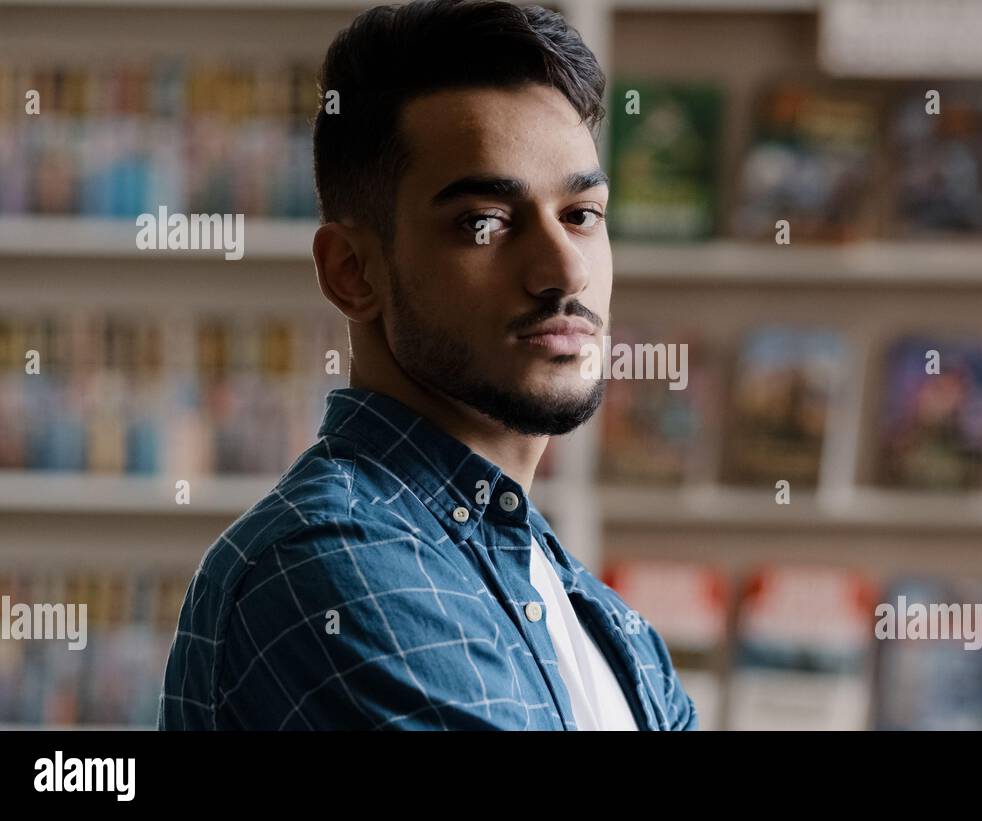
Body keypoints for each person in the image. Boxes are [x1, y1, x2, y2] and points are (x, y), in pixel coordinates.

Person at [159, 0, 697, 731]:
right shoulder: (332, 564)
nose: (565, 269)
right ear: (352, 271)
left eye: (582, 215)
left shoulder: (600, 621)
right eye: (486, 222)